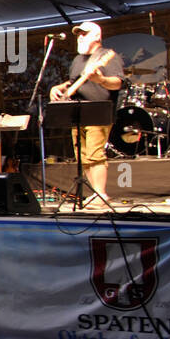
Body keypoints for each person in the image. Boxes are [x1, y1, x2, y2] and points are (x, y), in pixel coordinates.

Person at [50, 21, 124, 207]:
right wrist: (58, 88)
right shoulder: (78, 60)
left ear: (97, 36)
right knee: (82, 155)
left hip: (98, 111)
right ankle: (96, 193)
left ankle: (101, 194)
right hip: (78, 112)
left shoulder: (107, 56)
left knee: (95, 153)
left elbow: (117, 83)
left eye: (85, 34)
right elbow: (72, 82)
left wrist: (101, 79)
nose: (80, 37)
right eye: (79, 34)